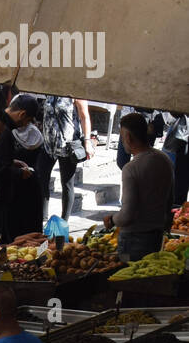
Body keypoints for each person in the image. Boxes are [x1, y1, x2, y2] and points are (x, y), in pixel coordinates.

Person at [105, 111, 175, 262]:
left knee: (126, 276)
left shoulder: (131, 168)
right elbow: (170, 199)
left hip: (132, 240)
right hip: (155, 236)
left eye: (122, 137)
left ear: (128, 138)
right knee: (148, 276)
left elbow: (127, 215)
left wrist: (111, 220)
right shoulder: (164, 159)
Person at [0, 96, 44, 243]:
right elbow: (0, 171)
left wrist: (12, 162)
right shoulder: (5, 129)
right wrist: (20, 173)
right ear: (22, 115)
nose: (26, 124)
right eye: (28, 120)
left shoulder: (4, 125)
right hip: (1, 200)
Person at [38, 96, 95, 222]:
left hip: (67, 145)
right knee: (41, 177)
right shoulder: (50, 91)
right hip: (49, 144)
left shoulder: (76, 93)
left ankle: (64, 221)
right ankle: (42, 218)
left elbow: (84, 116)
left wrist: (87, 141)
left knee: (67, 183)